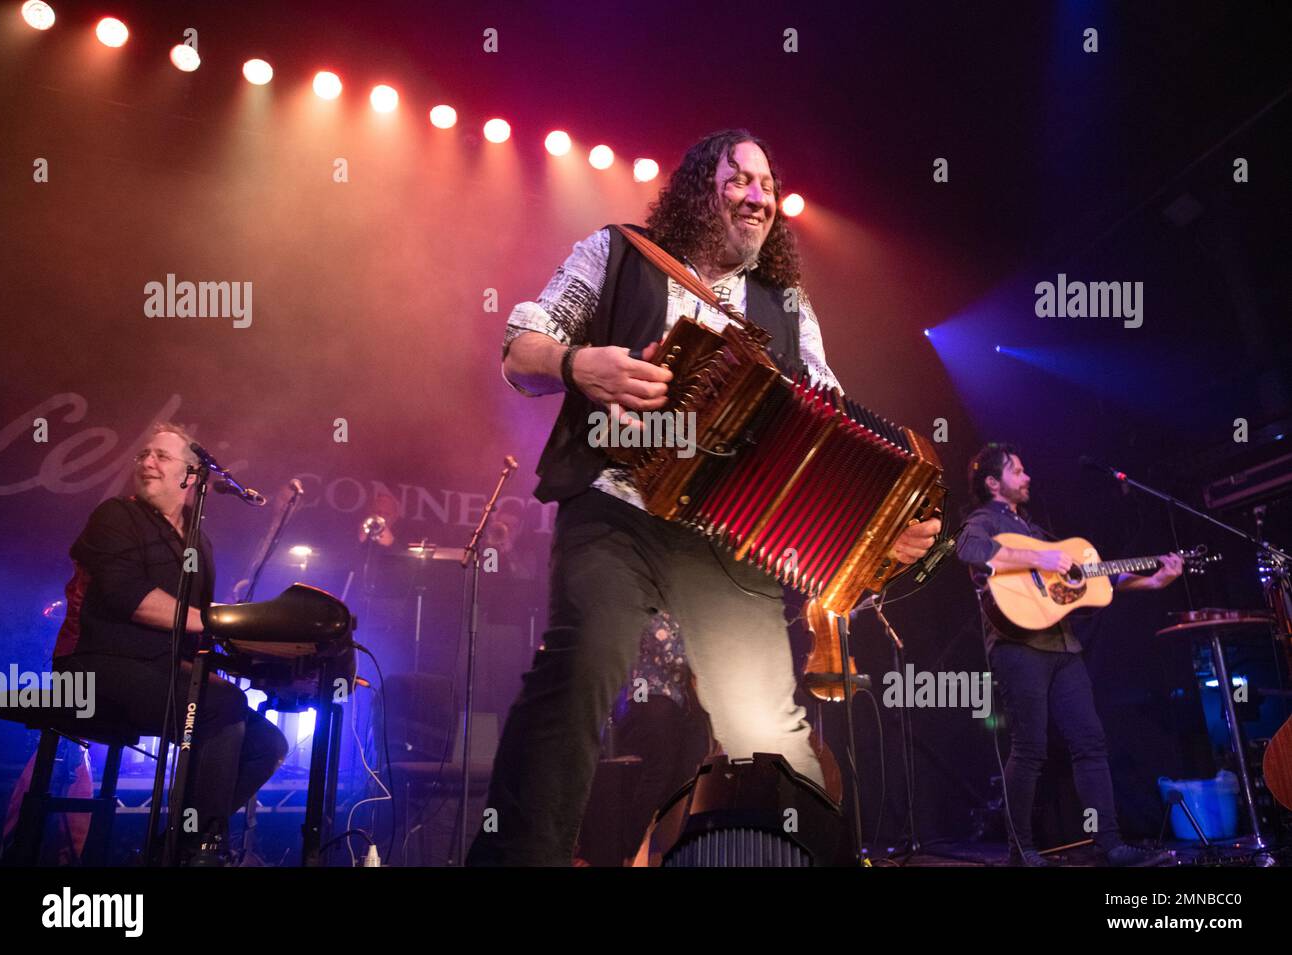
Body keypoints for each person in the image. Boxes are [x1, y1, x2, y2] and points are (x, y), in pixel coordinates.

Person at [468, 129, 940, 865]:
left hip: (728, 536)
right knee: (580, 667)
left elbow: (831, 426)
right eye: (738, 180)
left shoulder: (785, 304)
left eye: (766, 186)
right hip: (617, 505)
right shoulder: (619, 251)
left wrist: (881, 530)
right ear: (699, 188)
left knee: (771, 729)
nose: (756, 197)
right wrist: (578, 363)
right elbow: (518, 347)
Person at [52, 421, 288, 865]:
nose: (146, 462)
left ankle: (175, 845)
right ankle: (198, 851)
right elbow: (129, 599)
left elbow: (198, 633)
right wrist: (217, 623)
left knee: (269, 746)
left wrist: (265, 654)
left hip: (161, 670)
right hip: (95, 666)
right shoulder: (116, 516)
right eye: (143, 454)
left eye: (161, 456)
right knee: (221, 704)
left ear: (193, 475)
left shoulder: (200, 541)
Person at [954, 442, 1182, 867]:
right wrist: (1041, 556)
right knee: (1030, 749)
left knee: (1091, 742)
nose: (1027, 477)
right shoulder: (982, 521)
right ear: (992, 482)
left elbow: (1094, 579)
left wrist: (1154, 582)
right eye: (1017, 471)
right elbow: (968, 551)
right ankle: (1020, 850)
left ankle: (1109, 844)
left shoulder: (1037, 529)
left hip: (1064, 647)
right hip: (1018, 648)